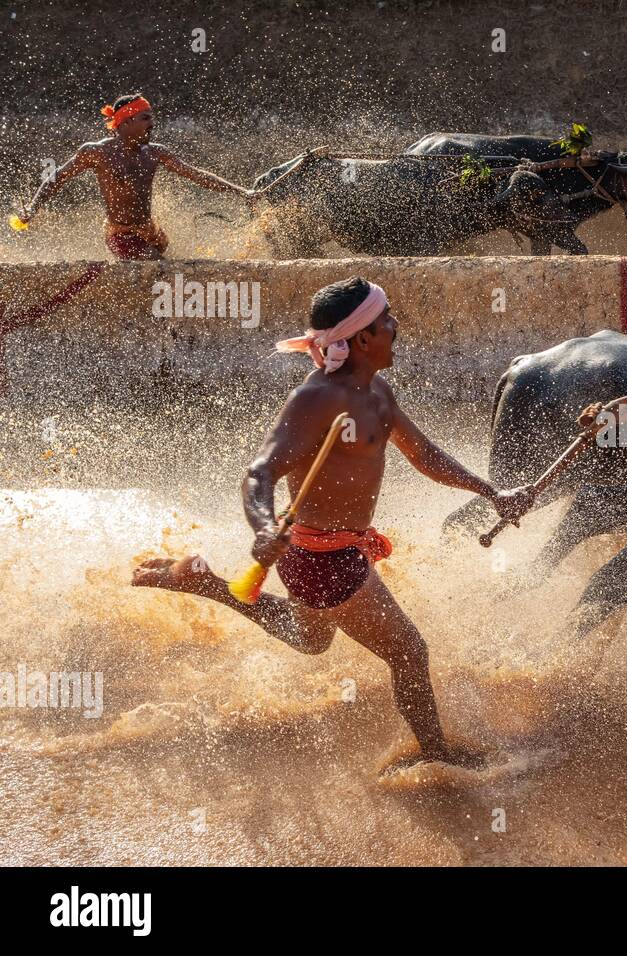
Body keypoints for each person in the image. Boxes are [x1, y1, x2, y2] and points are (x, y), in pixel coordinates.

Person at [133, 276, 533, 768]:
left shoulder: (376, 391)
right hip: (321, 555)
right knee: (409, 652)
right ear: (363, 337)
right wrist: (262, 527)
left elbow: (423, 454)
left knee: (312, 640)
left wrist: (492, 492)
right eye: (387, 321)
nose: (395, 327)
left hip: (334, 551)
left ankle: (208, 582)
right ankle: (439, 761)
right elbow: (260, 473)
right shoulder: (317, 398)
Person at [14, 93, 253, 259]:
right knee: (158, 269)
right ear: (127, 122)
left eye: (151, 117)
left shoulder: (155, 152)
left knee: (168, 265)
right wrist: (32, 209)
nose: (153, 123)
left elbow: (197, 175)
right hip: (121, 233)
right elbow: (57, 177)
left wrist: (243, 192)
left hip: (151, 232)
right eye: (146, 118)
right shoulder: (97, 152)